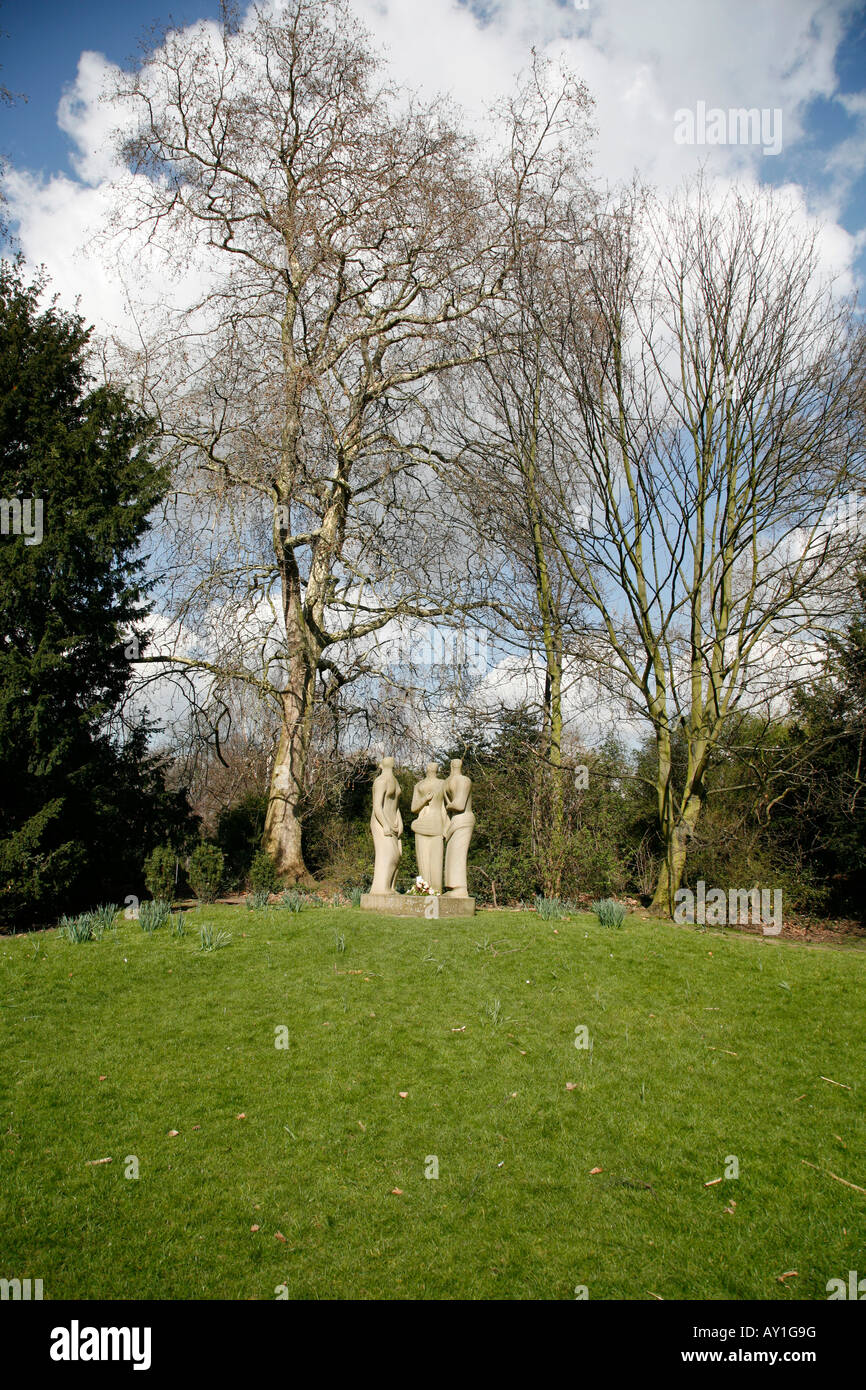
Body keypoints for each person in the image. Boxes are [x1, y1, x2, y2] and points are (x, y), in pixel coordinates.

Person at [410, 763, 447, 891]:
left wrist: (446, 828)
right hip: (421, 825)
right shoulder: (418, 785)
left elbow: (444, 807)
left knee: (436, 861)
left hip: (437, 825)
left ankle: (436, 890)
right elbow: (414, 808)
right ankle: (424, 889)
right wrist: (425, 799)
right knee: (423, 861)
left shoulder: (443, 783)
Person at [369, 756, 403, 894]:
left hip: (393, 821)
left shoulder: (395, 781)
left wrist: (399, 822)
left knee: (397, 856)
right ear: (381, 765)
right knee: (388, 855)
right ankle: (380, 888)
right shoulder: (380, 781)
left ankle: (390, 887)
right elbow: (377, 806)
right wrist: (385, 824)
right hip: (381, 822)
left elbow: (396, 805)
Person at [443, 757, 475, 897]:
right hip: (455, 820)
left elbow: (459, 805)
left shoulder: (463, 780)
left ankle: (460, 888)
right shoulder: (449, 782)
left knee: (458, 854)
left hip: (463, 819)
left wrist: (449, 805)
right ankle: (453, 888)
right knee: (452, 854)